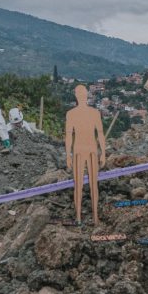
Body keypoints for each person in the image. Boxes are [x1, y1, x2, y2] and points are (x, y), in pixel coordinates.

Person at [65, 85, 107, 225]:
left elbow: (100, 134)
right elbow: (68, 136)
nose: (81, 96)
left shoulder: (94, 113)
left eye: (82, 93)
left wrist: (103, 154)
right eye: (79, 93)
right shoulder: (71, 114)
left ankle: (94, 217)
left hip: (90, 150)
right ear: (77, 96)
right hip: (80, 150)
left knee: (92, 184)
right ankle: (78, 217)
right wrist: (68, 156)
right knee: (79, 185)